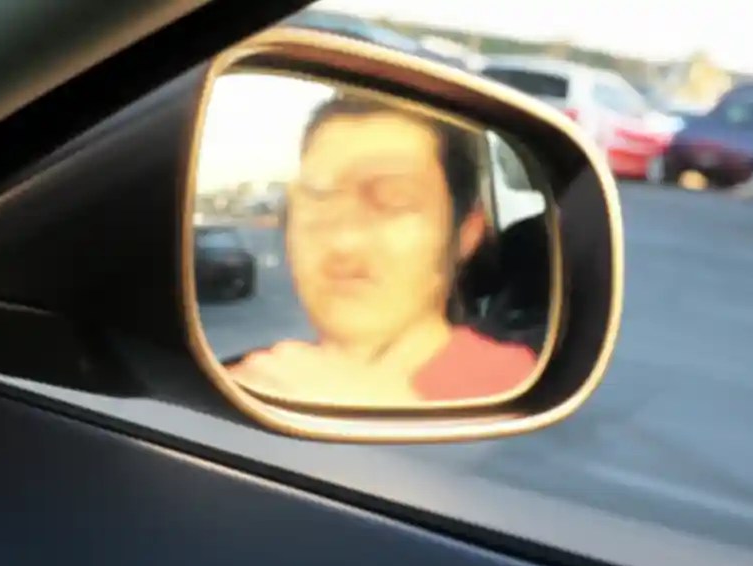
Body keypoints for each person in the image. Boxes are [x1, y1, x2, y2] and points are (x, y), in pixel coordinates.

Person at [226, 93, 538, 406]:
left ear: (466, 234)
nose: (343, 241)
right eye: (318, 199)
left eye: (393, 199)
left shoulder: (512, 388)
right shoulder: (253, 380)